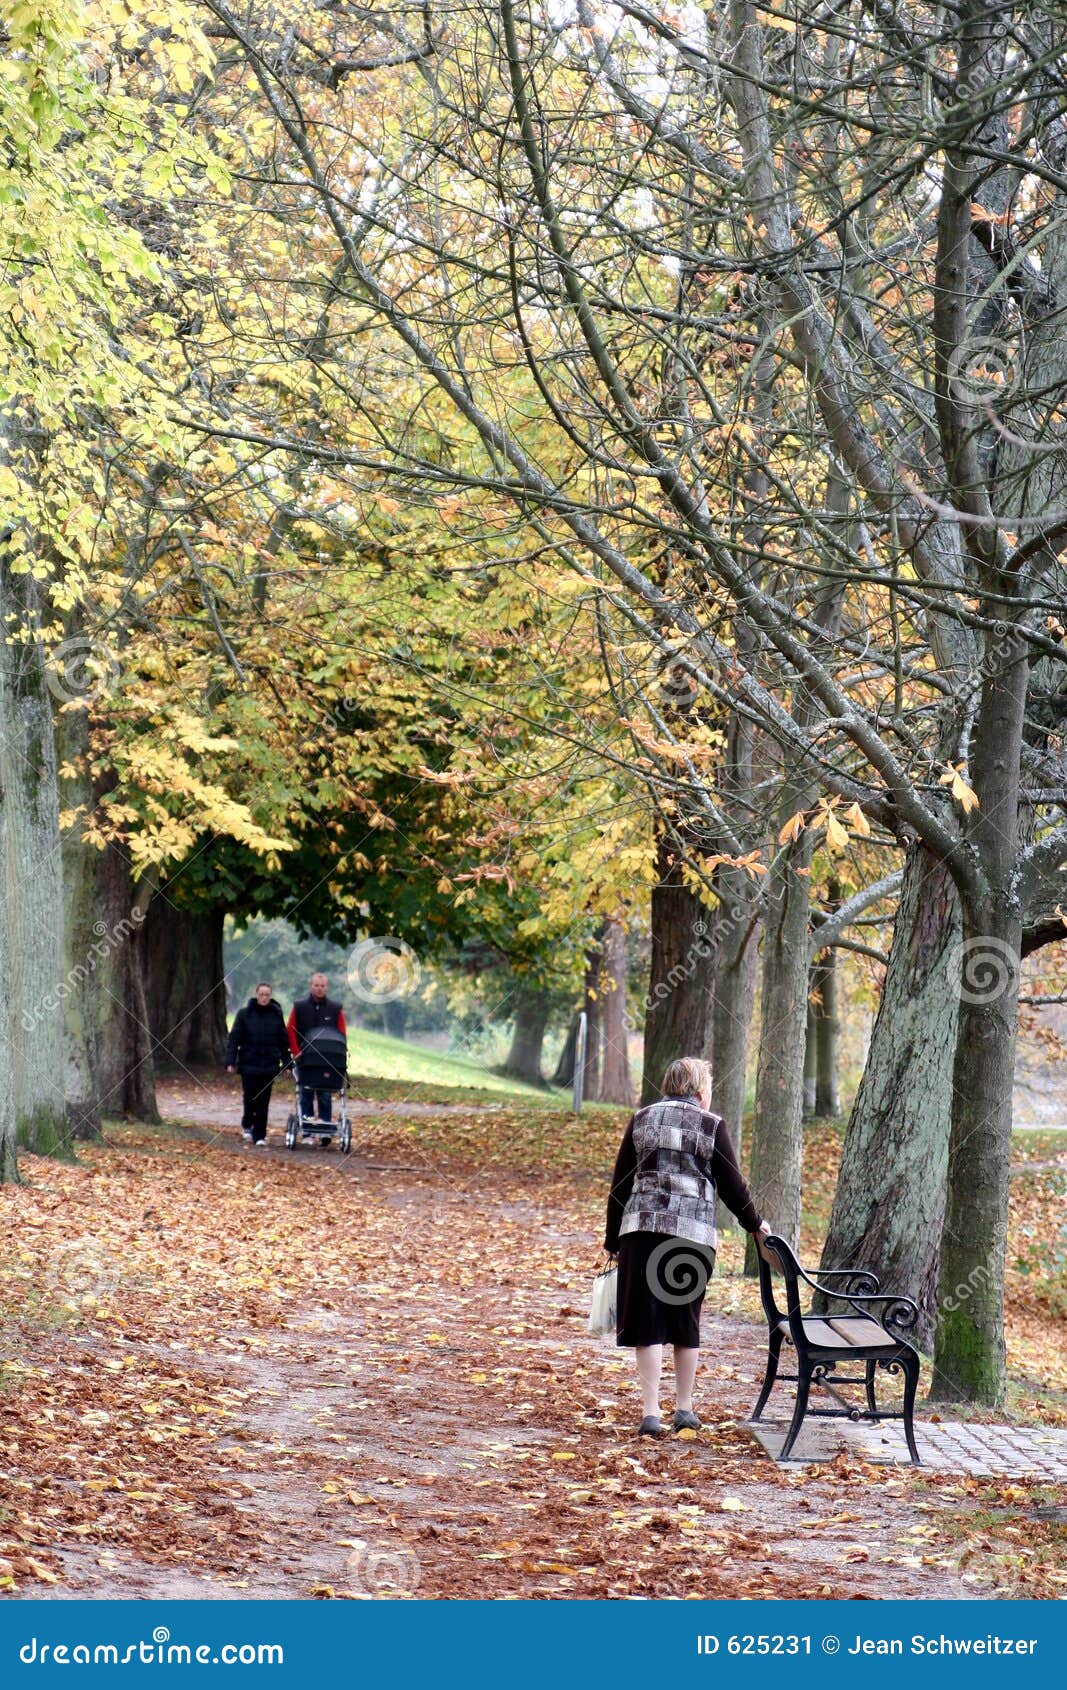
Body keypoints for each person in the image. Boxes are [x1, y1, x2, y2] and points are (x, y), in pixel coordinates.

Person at [605, 1055, 774, 1437]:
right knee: (685, 1321)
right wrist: (754, 1224)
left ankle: (651, 1412)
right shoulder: (711, 1125)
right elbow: (733, 1185)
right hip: (691, 1238)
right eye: (708, 1088)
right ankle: (684, 1408)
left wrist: (612, 1239)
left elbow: (620, 1185)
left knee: (646, 1323)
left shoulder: (641, 1119)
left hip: (641, 1233)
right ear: (699, 1091)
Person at [226, 982, 292, 1146]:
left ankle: (260, 1134)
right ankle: (247, 1124)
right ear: (256, 995)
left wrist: (287, 1064)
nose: (264, 998)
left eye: (267, 995)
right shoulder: (244, 1014)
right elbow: (234, 1039)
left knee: (264, 1101)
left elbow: (283, 1042)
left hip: (269, 1065)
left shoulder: (276, 1015)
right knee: (249, 1097)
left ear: (270, 996)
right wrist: (230, 1061)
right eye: (261, 994)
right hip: (249, 1064)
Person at [287, 972, 347, 1125]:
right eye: (316, 985)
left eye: (322, 986)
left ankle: (324, 1124)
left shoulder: (335, 1009)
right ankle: (307, 1126)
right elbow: (291, 1030)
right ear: (311, 986)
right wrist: (295, 1051)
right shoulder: (299, 1007)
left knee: (325, 1094)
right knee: (305, 1092)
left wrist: (341, 1052)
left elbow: (341, 1033)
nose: (319, 988)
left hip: (327, 1059)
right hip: (304, 1058)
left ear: (326, 987)